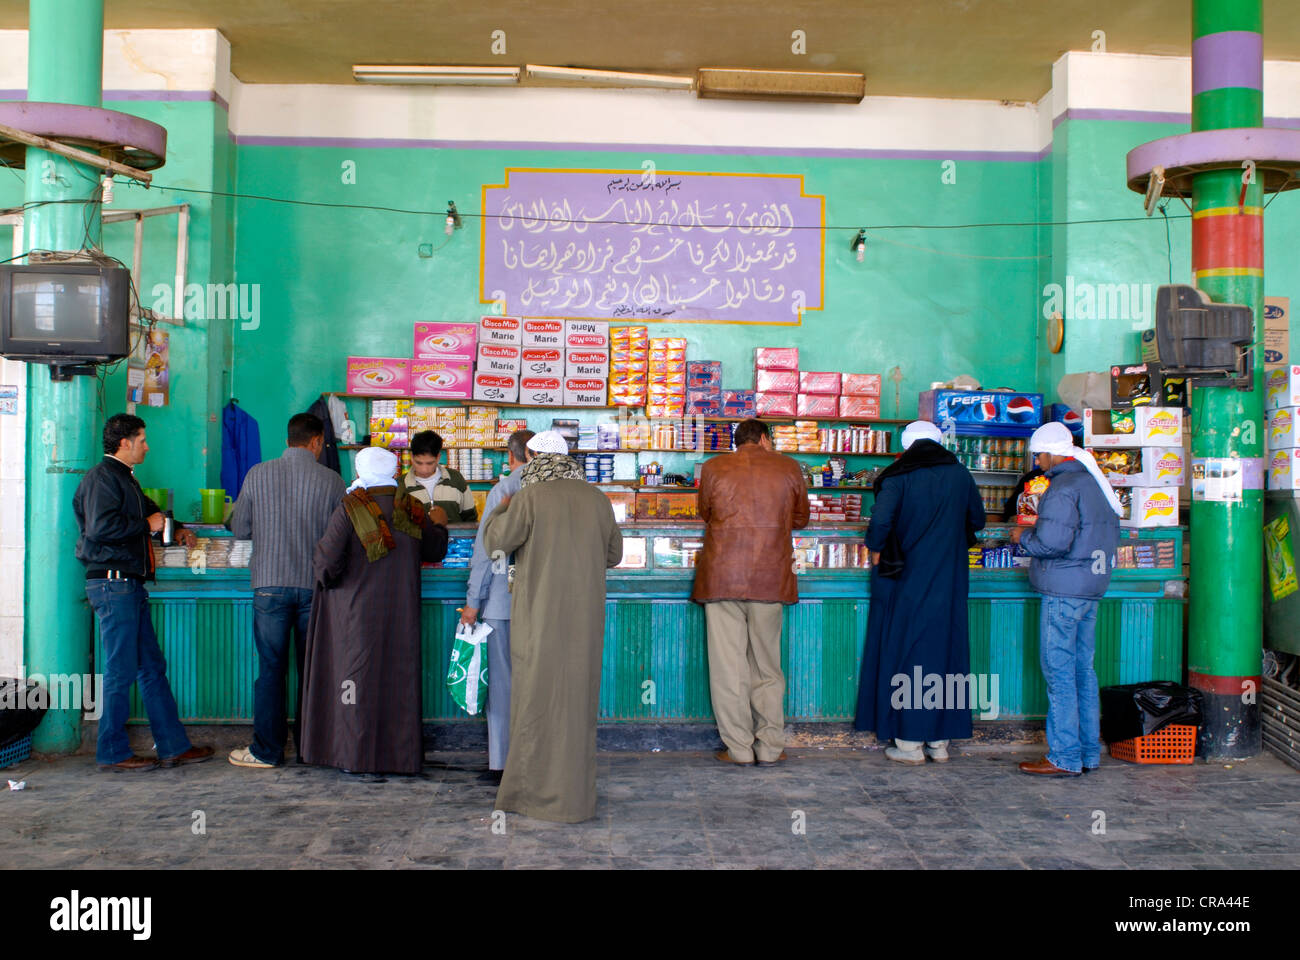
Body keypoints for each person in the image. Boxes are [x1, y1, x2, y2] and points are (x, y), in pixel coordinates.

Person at [483, 430, 623, 822]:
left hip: (538, 617)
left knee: (535, 699)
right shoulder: (596, 498)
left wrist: (501, 509)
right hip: (585, 619)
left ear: (532, 456)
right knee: (577, 701)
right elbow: (614, 554)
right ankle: (575, 798)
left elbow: (495, 544)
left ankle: (534, 796)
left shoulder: (527, 497)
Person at [73, 413, 214, 772]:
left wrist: (175, 527)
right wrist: (146, 526)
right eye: (142, 440)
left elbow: (150, 512)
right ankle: (113, 751)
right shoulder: (101, 478)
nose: (147, 446)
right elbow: (101, 528)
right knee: (120, 670)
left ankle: (173, 746)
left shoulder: (125, 479)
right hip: (112, 583)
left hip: (128, 585)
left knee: (151, 667)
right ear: (125, 443)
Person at [298, 446, 449, 775]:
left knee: (355, 682)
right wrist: (439, 523)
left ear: (360, 470)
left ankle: (356, 757)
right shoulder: (411, 506)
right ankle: (399, 757)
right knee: (397, 682)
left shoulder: (351, 507)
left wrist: (332, 583)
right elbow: (435, 548)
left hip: (355, 614)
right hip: (400, 613)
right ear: (394, 472)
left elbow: (325, 564)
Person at [854, 421, 986, 764]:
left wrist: (876, 546)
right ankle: (939, 742)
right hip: (951, 579)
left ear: (907, 446)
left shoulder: (898, 476)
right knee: (947, 654)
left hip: (906, 578)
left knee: (910, 651)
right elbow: (978, 519)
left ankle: (910, 742)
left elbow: (880, 522)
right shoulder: (960, 475)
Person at [227, 413, 346, 769]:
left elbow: (240, 527)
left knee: (270, 670)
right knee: (313, 671)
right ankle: (314, 749)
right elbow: (340, 539)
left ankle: (267, 751)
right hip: (314, 589)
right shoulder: (332, 481)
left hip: (268, 587)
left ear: (288, 439)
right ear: (316, 441)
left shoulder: (257, 474)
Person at [691, 418, 810, 766]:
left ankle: (739, 749)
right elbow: (800, 519)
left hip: (721, 579)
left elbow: (705, 513)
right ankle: (771, 747)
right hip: (770, 579)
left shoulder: (714, 467)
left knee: (729, 669)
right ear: (763, 439)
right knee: (767, 668)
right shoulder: (788, 467)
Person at [1010, 422, 1122, 777]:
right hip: (1091, 587)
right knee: (1082, 672)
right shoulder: (1093, 482)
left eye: (1039, 455)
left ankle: (1064, 756)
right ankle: (1088, 753)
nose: (1038, 462)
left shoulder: (1063, 487)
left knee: (1059, 673)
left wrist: (1022, 537)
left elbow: (1052, 544)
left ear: (1050, 453)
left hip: (1065, 590)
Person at [460, 428, 534, 783]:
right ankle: (536, 760)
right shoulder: (551, 490)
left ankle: (502, 763)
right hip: (540, 607)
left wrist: (473, 601)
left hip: (501, 605)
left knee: (503, 686)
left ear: (510, 456)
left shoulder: (503, 490)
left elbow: (486, 552)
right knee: (537, 682)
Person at [401, 430, 477, 522]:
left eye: (430, 463)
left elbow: (471, 519)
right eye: (419, 463)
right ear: (411, 457)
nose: (424, 469)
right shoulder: (400, 485)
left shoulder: (456, 479)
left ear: (438, 458)